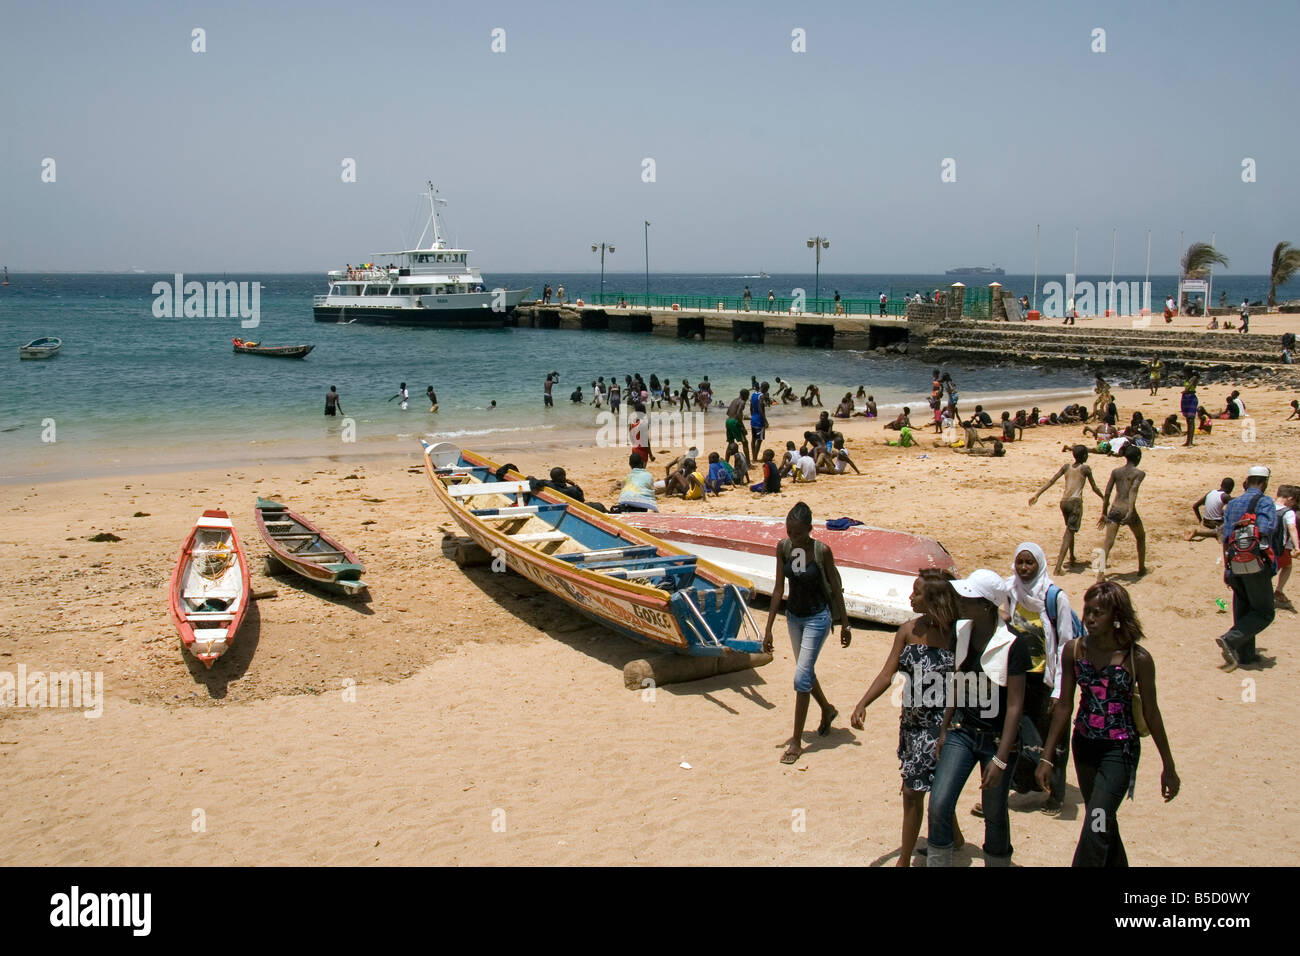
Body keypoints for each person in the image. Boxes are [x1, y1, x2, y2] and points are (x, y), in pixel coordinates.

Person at [1036, 581, 1179, 866]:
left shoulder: (1138, 659)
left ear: (1116, 616)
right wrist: (1047, 757)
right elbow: (1064, 705)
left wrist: (1169, 766)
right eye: (1087, 611)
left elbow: (1152, 712)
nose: (1089, 618)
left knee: (1098, 817)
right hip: (1085, 746)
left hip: (1120, 750)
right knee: (1100, 819)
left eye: (1098, 613)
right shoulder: (1074, 651)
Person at [850, 572, 962, 866]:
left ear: (934, 598)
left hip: (941, 725)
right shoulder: (907, 631)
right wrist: (863, 703)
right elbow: (888, 673)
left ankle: (903, 860)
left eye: (917, 593)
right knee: (933, 783)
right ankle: (956, 836)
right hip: (911, 723)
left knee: (913, 791)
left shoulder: (957, 635)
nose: (910, 598)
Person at [925, 570, 1025, 867]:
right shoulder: (961, 631)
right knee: (939, 803)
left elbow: (1015, 708)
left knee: (994, 813)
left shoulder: (1013, 645)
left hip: (997, 740)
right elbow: (957, 682)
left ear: (986, 605)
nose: (960, 601)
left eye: (967, 598)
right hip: (963, 732)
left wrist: (1001, 759)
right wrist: (944, 728)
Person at [763, 502, 851, 764]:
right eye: (790, 531)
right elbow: (779, 589)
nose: (794, 537)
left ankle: (796, 742)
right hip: (794, 618)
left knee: (801, 678)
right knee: (806, 670)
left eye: (799, 533)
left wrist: (845, 624)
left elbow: (835, 588)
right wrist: (768, 629)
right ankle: (827, 709)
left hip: (817, 618)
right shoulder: (783, 548)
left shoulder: (821, 551)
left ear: (810, 530)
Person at [1003, 544, 1076, 815]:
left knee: (1053, 736)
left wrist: (1059, 689)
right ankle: (1024, 785)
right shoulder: (1011, 590)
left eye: (1029, 563)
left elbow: (1065, 645)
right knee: (1019, 731)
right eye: (1020, 562)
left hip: (1048, 678)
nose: (1023, 568)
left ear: (1040, 565)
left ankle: (1055, 794)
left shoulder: (1055, 598)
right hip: (1020, 676)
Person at [1217, 465, 1279, 669]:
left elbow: (1225, 538)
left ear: (1246, 481)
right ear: (1264, 483)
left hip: (1234, 562)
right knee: (1264, 611)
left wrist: (1227, 569)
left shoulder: (1233, 504)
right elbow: (1267, 529)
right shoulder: (1265, 501)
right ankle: (1231, 639)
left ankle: (1246, 655)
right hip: (1255, 563)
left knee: (1243, 607)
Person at [1029, 445, 1105, 574]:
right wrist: (1104, 497)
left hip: (1064, 502)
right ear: (1085, 456)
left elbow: (1052, 481)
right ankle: (1058, 567)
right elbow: (1094, 488)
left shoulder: (1066, 467)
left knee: (1070, 530)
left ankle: (1072, 556)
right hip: (1075, 502)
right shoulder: (1085, 469)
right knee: (1069, 533)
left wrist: (1037, 494)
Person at [1096, 445, 1148, 581]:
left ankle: (1099, 574)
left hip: (1115, 509)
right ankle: (1141, 568)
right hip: (1127, 509)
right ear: (1138, 458)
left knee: (1107, 543)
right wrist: (1130, 511)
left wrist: (1104, 512)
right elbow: (1133, 490)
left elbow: (1107, 492)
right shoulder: (1139, 473)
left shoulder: (1116, 472)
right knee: (1141, 537)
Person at [1185, 478, 1235, 542]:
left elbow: (1195, 506)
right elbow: (1235, 503)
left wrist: (1200, 520)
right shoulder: (1225, 496)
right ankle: (1216, 534)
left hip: (1205, 522)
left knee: (1222, 511)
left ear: (1221, 484)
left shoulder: (1211, 492)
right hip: (1216, 523)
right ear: (1231, 488)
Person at [1272, 484, 1298, 609]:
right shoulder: (1288, 512)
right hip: (1279, 546)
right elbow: (1292, 528)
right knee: (1286, 566)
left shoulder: (1266, 506)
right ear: (1290, 499)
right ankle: (1279, 590)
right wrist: (1297, 546)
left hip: (1261, 544)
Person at [750, 382, 769, 460]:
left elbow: (751, 407)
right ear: (765, 388)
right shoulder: (761, 396)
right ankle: (755, 457)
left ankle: (753, 456)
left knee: (753, 439)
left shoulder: (753, 394)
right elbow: (761, 409)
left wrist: (752, 416)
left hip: (753, 419)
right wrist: (765, 421)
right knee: (760, 440)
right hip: (759, 421)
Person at [1180, 373, 1200, 447]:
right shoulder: (1187, 379)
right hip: (1186, 398)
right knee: (1188, 420)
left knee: (1191, 419)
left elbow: (1189, 387)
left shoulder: (1193, 379)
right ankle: (1188, 441)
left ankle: (1190, 441)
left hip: (1191, 398)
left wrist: (1185, 391)